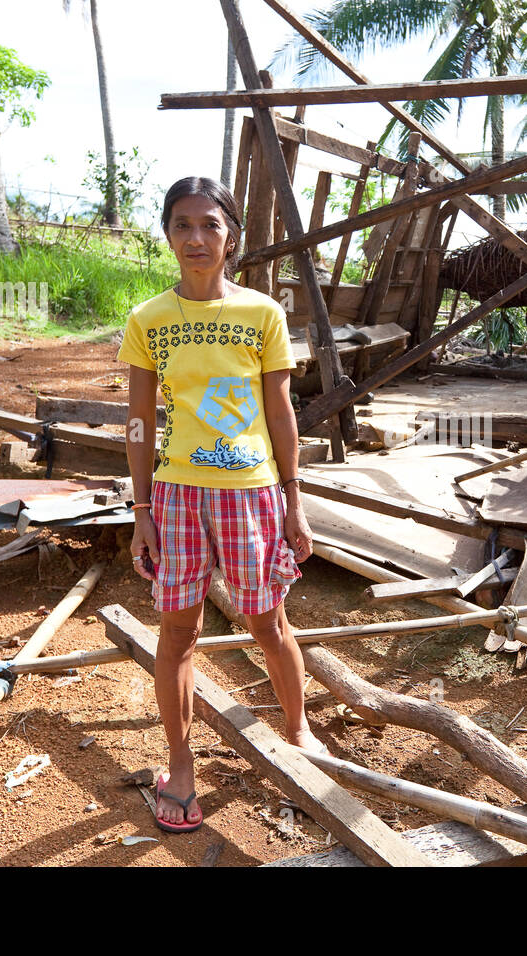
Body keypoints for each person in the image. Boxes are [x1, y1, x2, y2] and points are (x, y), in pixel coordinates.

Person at [117, 176, 320, 833]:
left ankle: (299, 730)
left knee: (268, 624)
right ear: (168, 234)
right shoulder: (148, 320)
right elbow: (141, 422)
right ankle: (180, 766)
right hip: (175, 498)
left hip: (252, 495)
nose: (195, 238)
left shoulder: (263, 314)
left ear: (232, 235)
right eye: (182, 225)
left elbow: (280, 410)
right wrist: (141, 509)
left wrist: (295, 500)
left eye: (209, 224)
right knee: (178, 634)